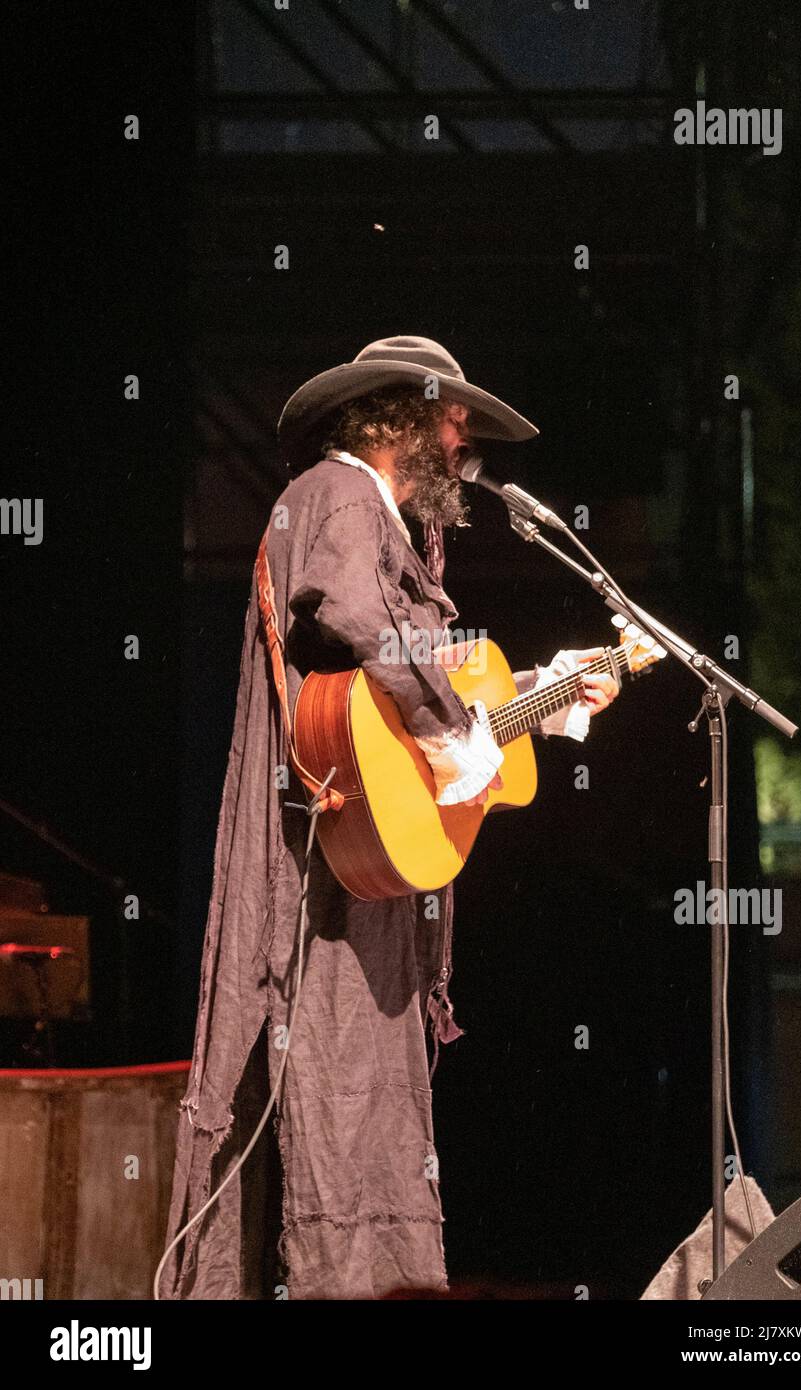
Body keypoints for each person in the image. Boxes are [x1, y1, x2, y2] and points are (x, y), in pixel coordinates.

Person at [158, 337, 618, 1300]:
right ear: (399, 418)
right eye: (454, 419)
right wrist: (455, 742)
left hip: (363, 861)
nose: (465, 443)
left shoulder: (393, 522)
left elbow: (427, 678)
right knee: (310, 1075)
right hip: (315, 853)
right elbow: (366, 625)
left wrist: (549, 688)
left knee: (366, 1092)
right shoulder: (335, 494)